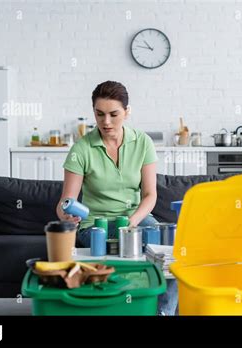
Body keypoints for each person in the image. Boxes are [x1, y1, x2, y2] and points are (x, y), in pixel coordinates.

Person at [56, 81, 177, 315]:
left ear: (127, 112)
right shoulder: (82, 149)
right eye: (99, 114)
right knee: (111, 248)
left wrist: (132, 222)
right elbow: (65, 201)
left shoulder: (143, 143)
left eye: (114, 114)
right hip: (94, 225)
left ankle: (164, 311)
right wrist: (66, 214)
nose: (106, 122)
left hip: (136, 219)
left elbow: (150, 195)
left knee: (169, 254)